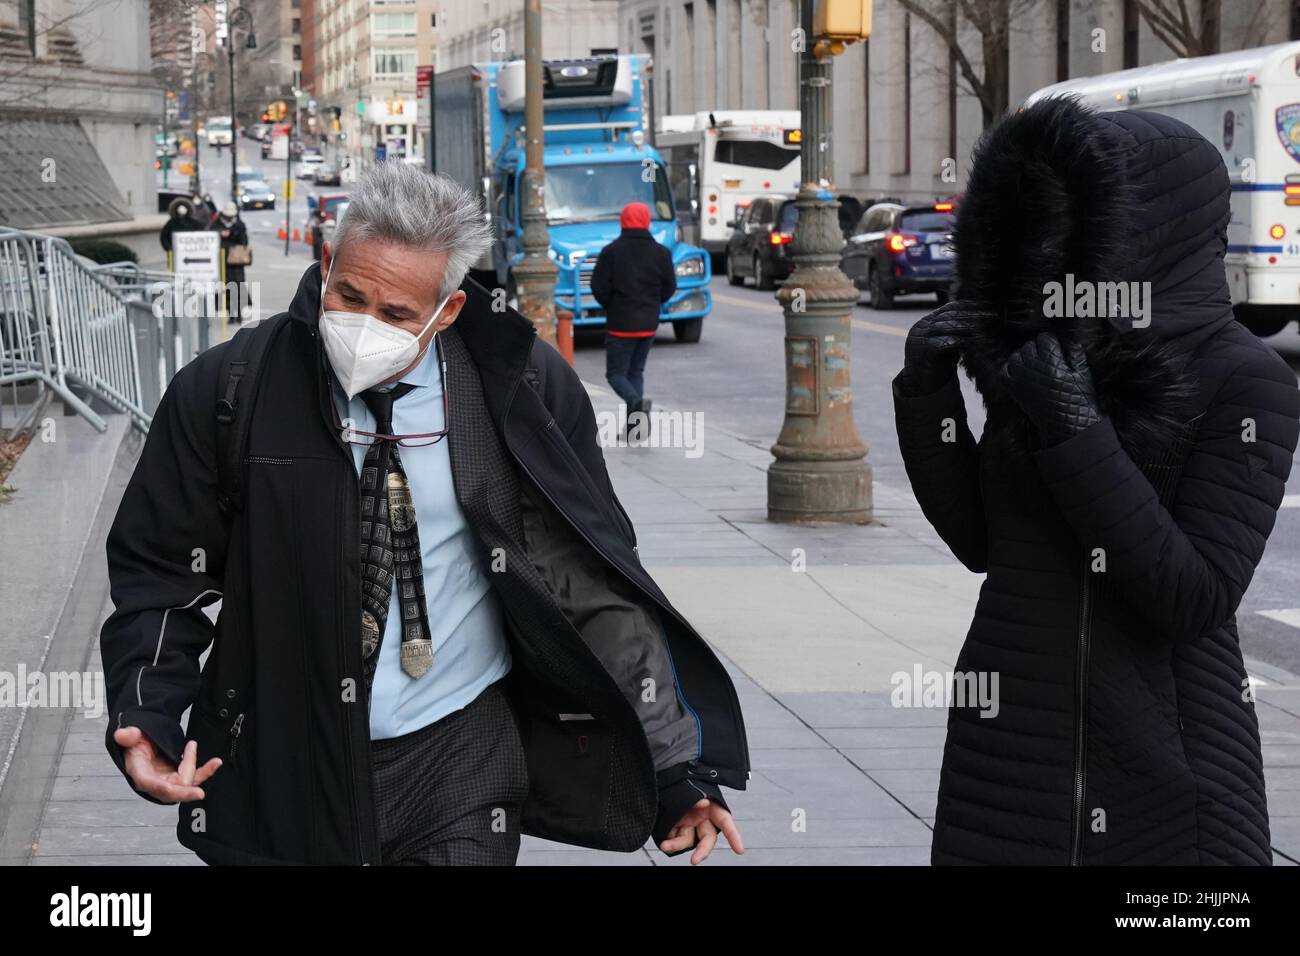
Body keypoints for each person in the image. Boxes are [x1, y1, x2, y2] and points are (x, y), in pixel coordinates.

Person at [101, 162, 748, 866]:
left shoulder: (521, 390)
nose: (364, 327)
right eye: (349, 296)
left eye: (397, 314)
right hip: (282, 758)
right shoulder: (229, 388)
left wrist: (673, 768)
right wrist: (146, 712)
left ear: (448, 310)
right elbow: (162, 575)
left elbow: (588, 583)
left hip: (460, 757)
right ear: (327, 263)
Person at [893, 97, 1299, 865]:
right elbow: (982, 543)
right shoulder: (1044, 356)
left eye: (1072, 220)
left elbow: (1193, 597)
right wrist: (928, 396)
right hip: (1006, 754)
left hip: (1168, 765)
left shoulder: (1246, 378)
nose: (1049, 243)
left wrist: (1076, 431)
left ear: (1143, 228)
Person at [591, 201, 675, 441]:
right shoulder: (661, 253)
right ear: (646, 220)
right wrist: (653, 303)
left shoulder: (611, 252)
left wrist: (611, 305)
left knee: (615, 374)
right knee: (635, 372)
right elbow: (669, 287)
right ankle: (635, 430)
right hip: (649, 323)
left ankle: (635, 401)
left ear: (623, 221)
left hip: (620, 323)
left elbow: (598, 287)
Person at [213, 202, 249, 323]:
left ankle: (238, 313)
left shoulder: (239, 225)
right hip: (222, 261)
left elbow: (244, 241)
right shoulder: (216, 224)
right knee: (226, 287)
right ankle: (231, 312)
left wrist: (233, 234)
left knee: (238, 286)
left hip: (236, 261)